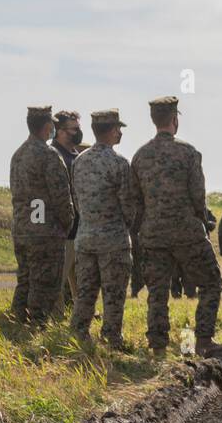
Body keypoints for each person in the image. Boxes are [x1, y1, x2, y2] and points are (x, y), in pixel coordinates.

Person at [130, 95, 222, 358]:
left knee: (157, 292)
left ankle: (158, 346)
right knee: (211, 283)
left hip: (153, 235)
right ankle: (203, 341)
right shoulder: (188, 153)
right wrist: (200, 221)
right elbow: (198, 197)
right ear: (174, 120)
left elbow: (135, 200)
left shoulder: (139, 156)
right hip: (187, 233)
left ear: (153, 120)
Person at [70, 109, 135, 349]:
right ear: (110, 131)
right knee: (113, 295)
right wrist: (124, 226)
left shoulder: (80, 161)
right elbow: (128, 205)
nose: (120, 133)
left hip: (85, 239)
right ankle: (111, 340)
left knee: (85, 292)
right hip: (113, 241)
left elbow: (77, 201)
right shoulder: (119, 163)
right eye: (118, 128)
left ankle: (77, 335)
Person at [9, 105, 74, 325]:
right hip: (46, 233)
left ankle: (17, 322)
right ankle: (37, 326)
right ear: (47, 126)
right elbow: (61, 197)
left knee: (25, 280)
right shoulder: (49, 155)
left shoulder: (18, 155)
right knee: (45, 284)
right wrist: (67, 223)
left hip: (22, 230)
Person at [51, 109, 82, 312]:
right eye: (74, 129)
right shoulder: (54, 155)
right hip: (64, 232)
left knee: (81, 284)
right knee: (57, 284)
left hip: (79, 230)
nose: (78, 133)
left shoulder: (75, 155)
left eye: (79, 128)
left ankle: (80, 320)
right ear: (60, 131)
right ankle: (57, 322)